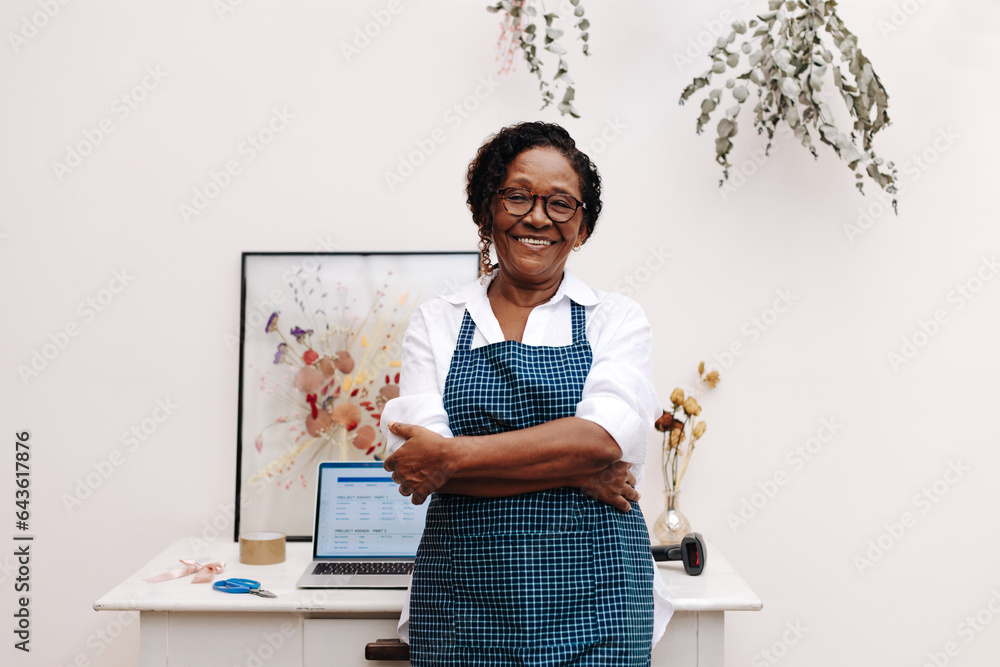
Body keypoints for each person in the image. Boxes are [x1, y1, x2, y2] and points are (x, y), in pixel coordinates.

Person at [380, 121, 672, 666]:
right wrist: (575, 470)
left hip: (599, 603)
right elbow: (419, 462)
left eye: (561, 204)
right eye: (518, 196)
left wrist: (456, 456)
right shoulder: (437, 322)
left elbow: (602, 440)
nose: (537, 217)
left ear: (582, 227)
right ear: (487, 211)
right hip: (463, 604)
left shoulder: (616, 319)